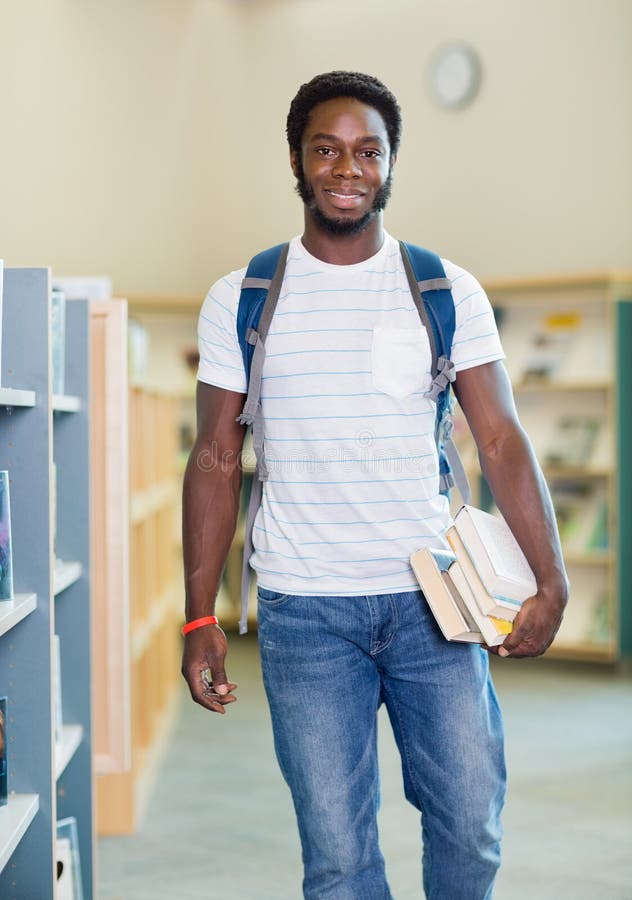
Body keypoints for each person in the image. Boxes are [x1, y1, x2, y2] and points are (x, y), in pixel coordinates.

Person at [181, 70, 568, 900]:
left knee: (470, 822)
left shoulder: (443, 288)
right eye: (327, 149)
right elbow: (215, 457)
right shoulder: (244, 296)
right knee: (337, 857)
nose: (347, 168)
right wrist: (201, 614)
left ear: (391, 164)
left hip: (435, 603)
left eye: (367, 151)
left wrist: (552, 578)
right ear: (297, 159)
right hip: (304, 612)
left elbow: (499, 440)